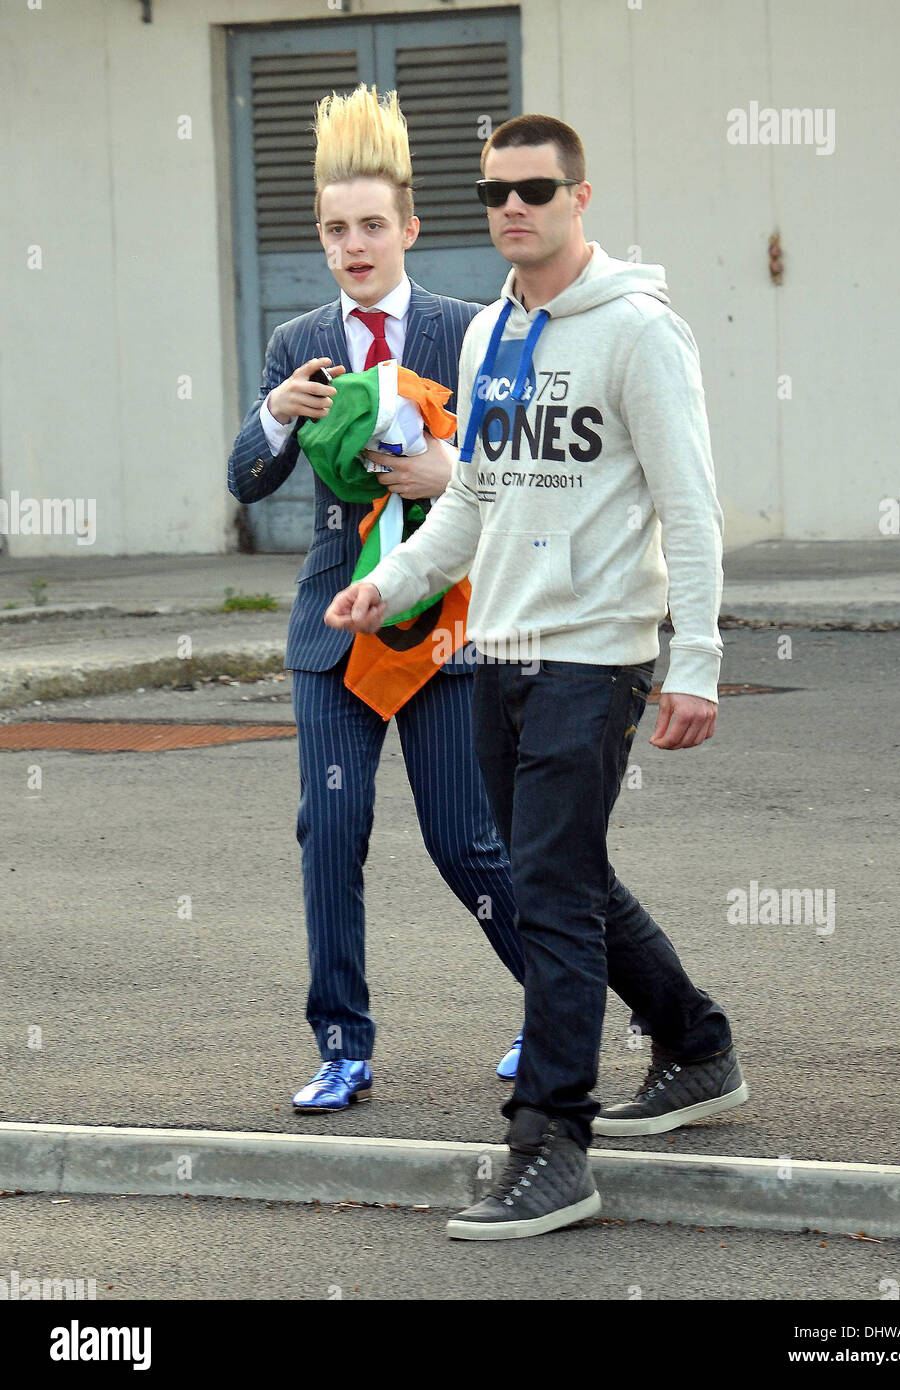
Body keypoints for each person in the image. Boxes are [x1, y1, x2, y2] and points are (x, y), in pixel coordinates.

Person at [326, 113, 748, 1240]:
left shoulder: (638, 333)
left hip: (594, 650)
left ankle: (552, 1144)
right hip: (496, 650)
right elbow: (472, 498)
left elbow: (692, 507)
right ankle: (699, 1048)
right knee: (559, 872)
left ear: (579, 197)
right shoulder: (490, 335)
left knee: (549, 891)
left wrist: (694, 663)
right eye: (494, 192)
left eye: (534, 189)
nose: (512, 207)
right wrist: (396, 585)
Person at [227, 85, 526, 1114]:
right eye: (334, 230)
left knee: (467, 840)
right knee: (330, 832)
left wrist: (448, 478)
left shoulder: (471, 327)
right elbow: (244, 481)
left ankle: (552, 1003)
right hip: (332, 631)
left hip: (442, 624)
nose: (353, 246)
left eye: (370, 226)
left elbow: (513, 465)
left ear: (408, 228)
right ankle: (342, 1042)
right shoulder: (299, 341)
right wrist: (273, 415)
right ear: (320, 239)